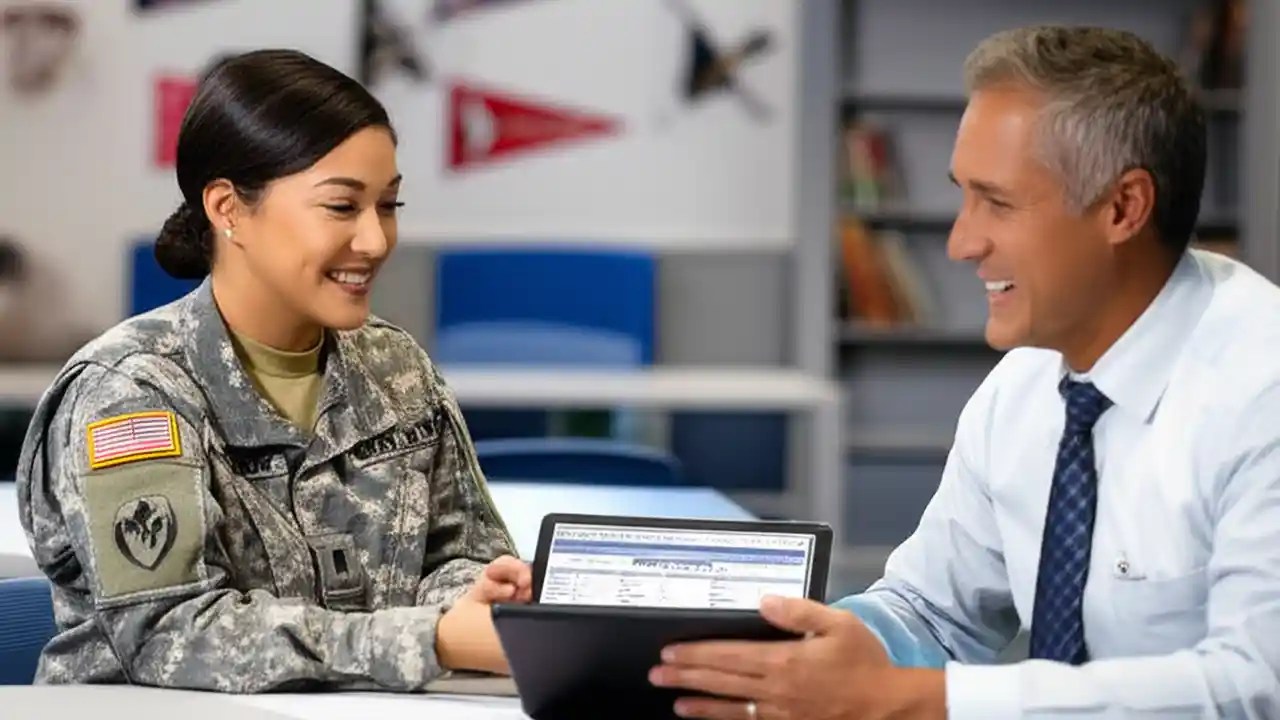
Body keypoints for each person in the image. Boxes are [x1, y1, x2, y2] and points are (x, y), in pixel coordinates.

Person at [650, 25, 1280, 719]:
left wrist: (917, 701)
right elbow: (927, 612)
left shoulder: (1260, 387)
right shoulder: (1026, 385)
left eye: (998, 203)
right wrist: (735, 647)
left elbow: (1254, 685)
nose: (960, 243)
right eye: (963, 197)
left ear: (1123, 208)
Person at [15, 48, 532, 693]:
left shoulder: (395, 366)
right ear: (228, 209)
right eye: (342, 208)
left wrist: (476, 596)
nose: (375, 241)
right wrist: (428, 639)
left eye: (389, 205)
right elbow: (171, 634)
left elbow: (457, 555)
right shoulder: (131, 392)